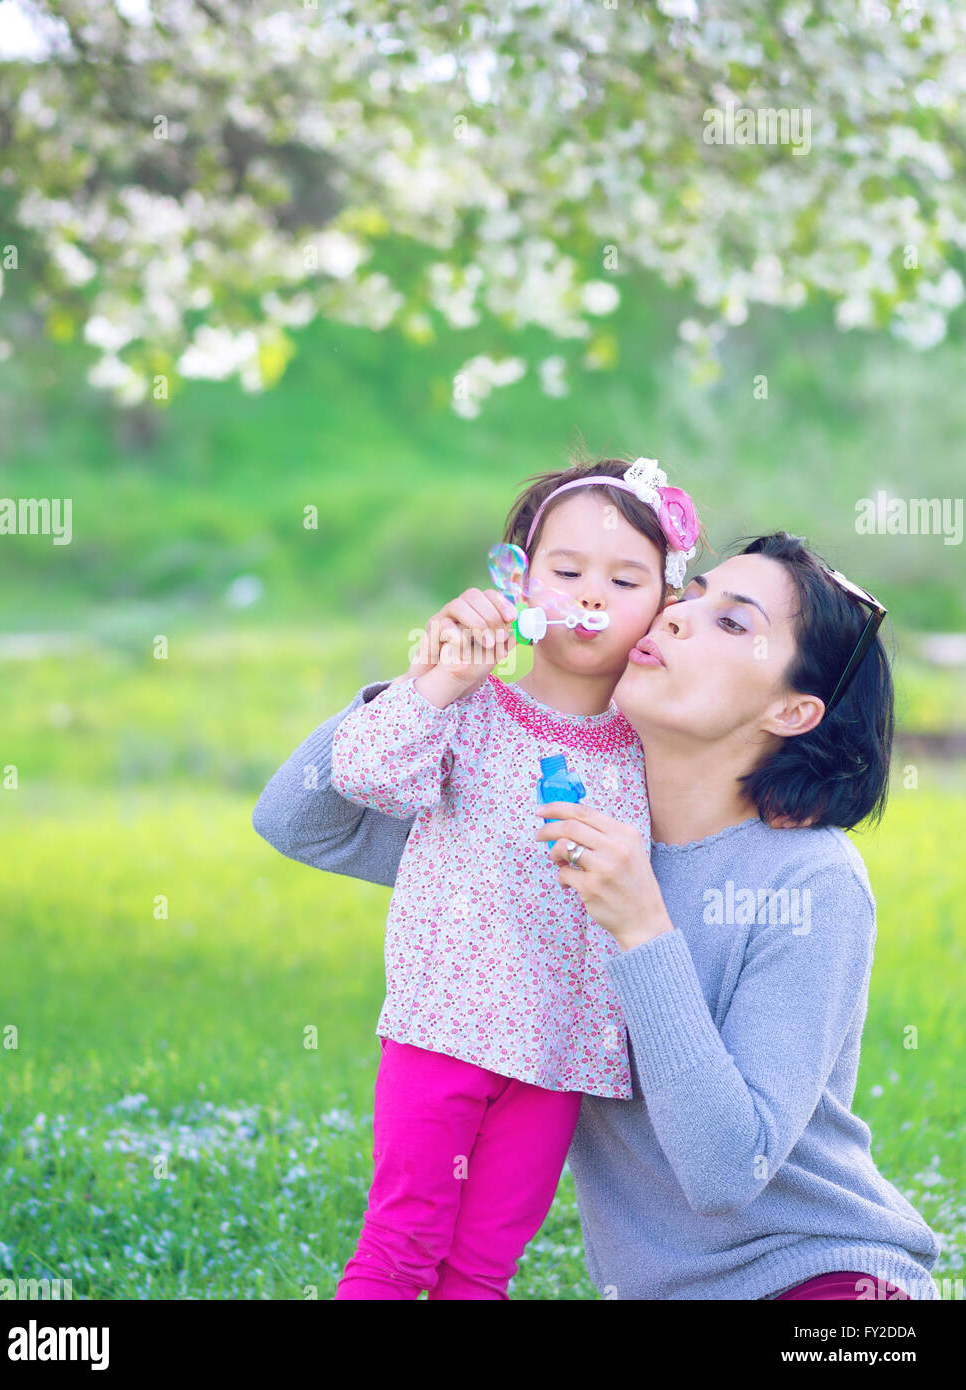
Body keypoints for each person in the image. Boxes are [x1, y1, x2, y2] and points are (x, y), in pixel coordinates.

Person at [252, 521, 943, 1302]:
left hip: (825, 1281)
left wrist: (641, 927)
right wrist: (424, 690)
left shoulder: (809, 881)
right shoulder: (551, 826)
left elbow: (726, 1172)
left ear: (791, 712)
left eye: (732, 622)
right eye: (690, 596)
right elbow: (297, 821)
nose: (676, 616)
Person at [328, 453, 704, 1298]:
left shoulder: (652, 750)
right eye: (566, 571)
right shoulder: (473, 707)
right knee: (398, 1249)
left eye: (625, 579)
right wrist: (444, 676)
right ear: (520, 582)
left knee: (483, 1269)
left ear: (664, 606)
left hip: (562, 1053)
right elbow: (365, 774)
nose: (591, 596)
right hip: (442, 1029)